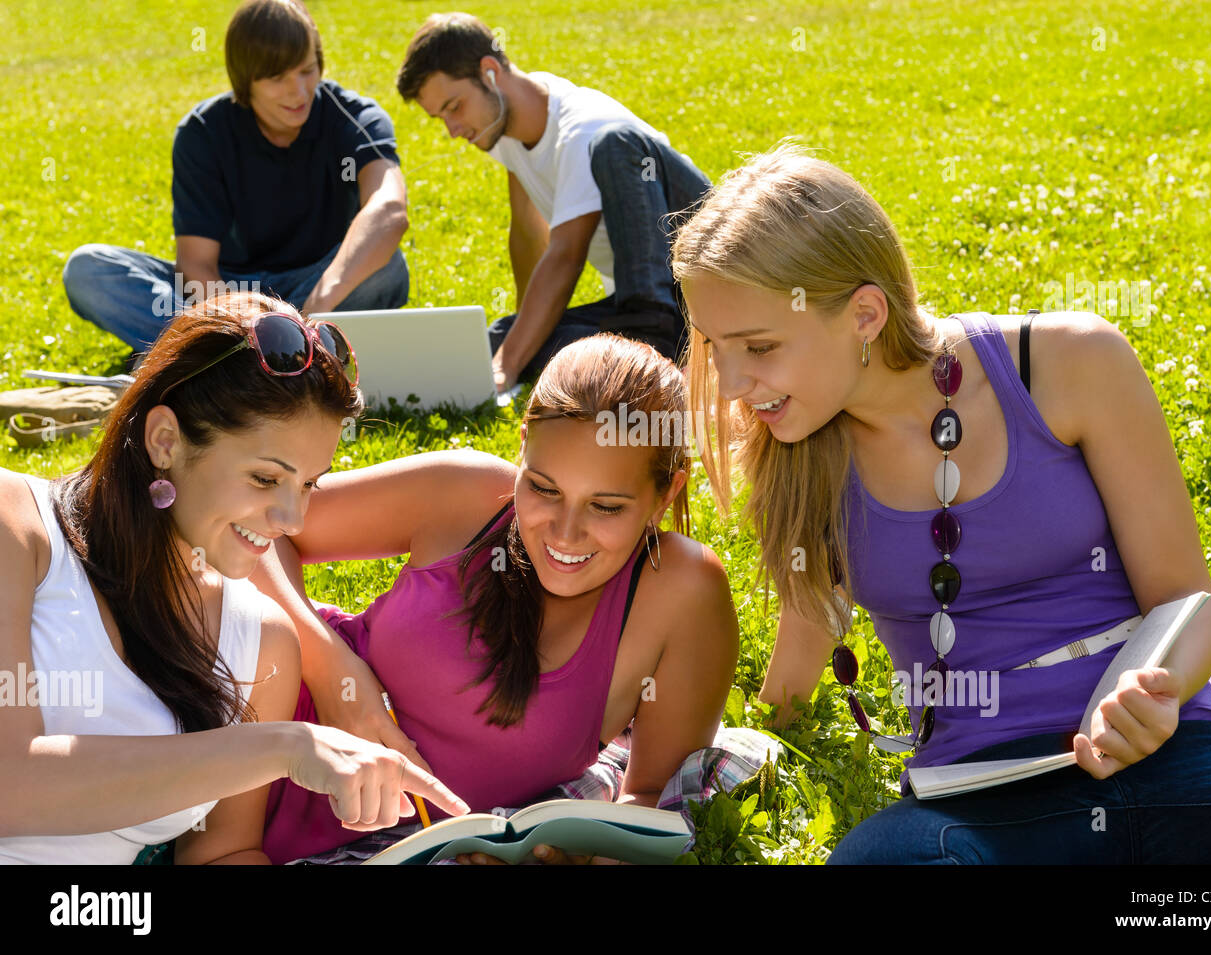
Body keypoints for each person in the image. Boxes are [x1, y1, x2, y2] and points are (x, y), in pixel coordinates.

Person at [671, 143, 1211, 864]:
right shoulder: (801, 452)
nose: (728, 384)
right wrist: (727, 744)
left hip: (1183, 759)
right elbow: (801, 652)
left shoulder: (1072, 364)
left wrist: (1152, 688)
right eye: (716, 346)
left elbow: (1186, 597)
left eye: (758, 344)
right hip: (980, 807)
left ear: (866, 314)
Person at [0, 292, 467, 865]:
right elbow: (11, 785)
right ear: (165, 441)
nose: (292, 519)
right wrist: (283, 747)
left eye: (309, 485)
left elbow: (220, 854)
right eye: (266, 478)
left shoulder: (262, 642)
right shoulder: (17, 527)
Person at [254, 333, 740, 864]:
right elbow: (260, 526)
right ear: (523, 444)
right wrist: (333, 677)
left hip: (385, 843)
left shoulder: (679, 591)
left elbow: (644, 805)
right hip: (254, 721)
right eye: (544, 488)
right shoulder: (468, 494)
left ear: (665, 494)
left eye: (605, 507)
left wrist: (572, 853)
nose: (565, 533)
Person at [62, 0, 410, 355]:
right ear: (245, 81)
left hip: (322, 283)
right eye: (277, 78)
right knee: (89, 271)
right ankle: (260, 351)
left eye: (307, 70)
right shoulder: (204, 132)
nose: (299, 91)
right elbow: (196, 264)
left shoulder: (355, 116)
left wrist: (320, 302)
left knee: (388, 268)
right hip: (227, 295)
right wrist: (244, 322)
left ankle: (216, 356)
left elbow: (389, 209)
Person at [396, 12, 711, 393]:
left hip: (702, 289)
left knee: (615, 144)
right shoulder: (511, 127)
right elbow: (529, 234)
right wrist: (517, 337)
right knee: (496, 340)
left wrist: (507, 366)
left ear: (490, 71)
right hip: (639, 310)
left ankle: (655, 355)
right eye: (440, 117)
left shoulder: (584, 128)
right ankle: (638, 355)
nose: (452, 130)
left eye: (454, 106)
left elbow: (564, 256)